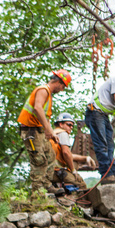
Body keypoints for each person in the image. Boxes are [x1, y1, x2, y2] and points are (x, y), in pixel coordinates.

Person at [17, 69, 73, 198]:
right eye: (63, 86)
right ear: (59, 82)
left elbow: (44, 115)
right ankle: (37, 194)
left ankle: (47, 186)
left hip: (39, 130)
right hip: (31, 131)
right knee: (39, 160)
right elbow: (37, 108)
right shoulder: (43, 90)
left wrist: (50, 132)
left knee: (50, 155)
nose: (62, 90)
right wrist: (48, 129)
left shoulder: (48, 94)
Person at [49, 112, 97, 194]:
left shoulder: (53, 135)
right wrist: (73, 171)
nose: (71, 127)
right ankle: (81, 205)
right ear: (61, 124)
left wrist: (85, 158)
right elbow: (66, 153)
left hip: (49, 171)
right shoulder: (63, 133)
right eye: (68, 124)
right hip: (55, 172)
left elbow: (68, 155)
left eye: (72, 125)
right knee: (81, 184)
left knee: (74, 163)